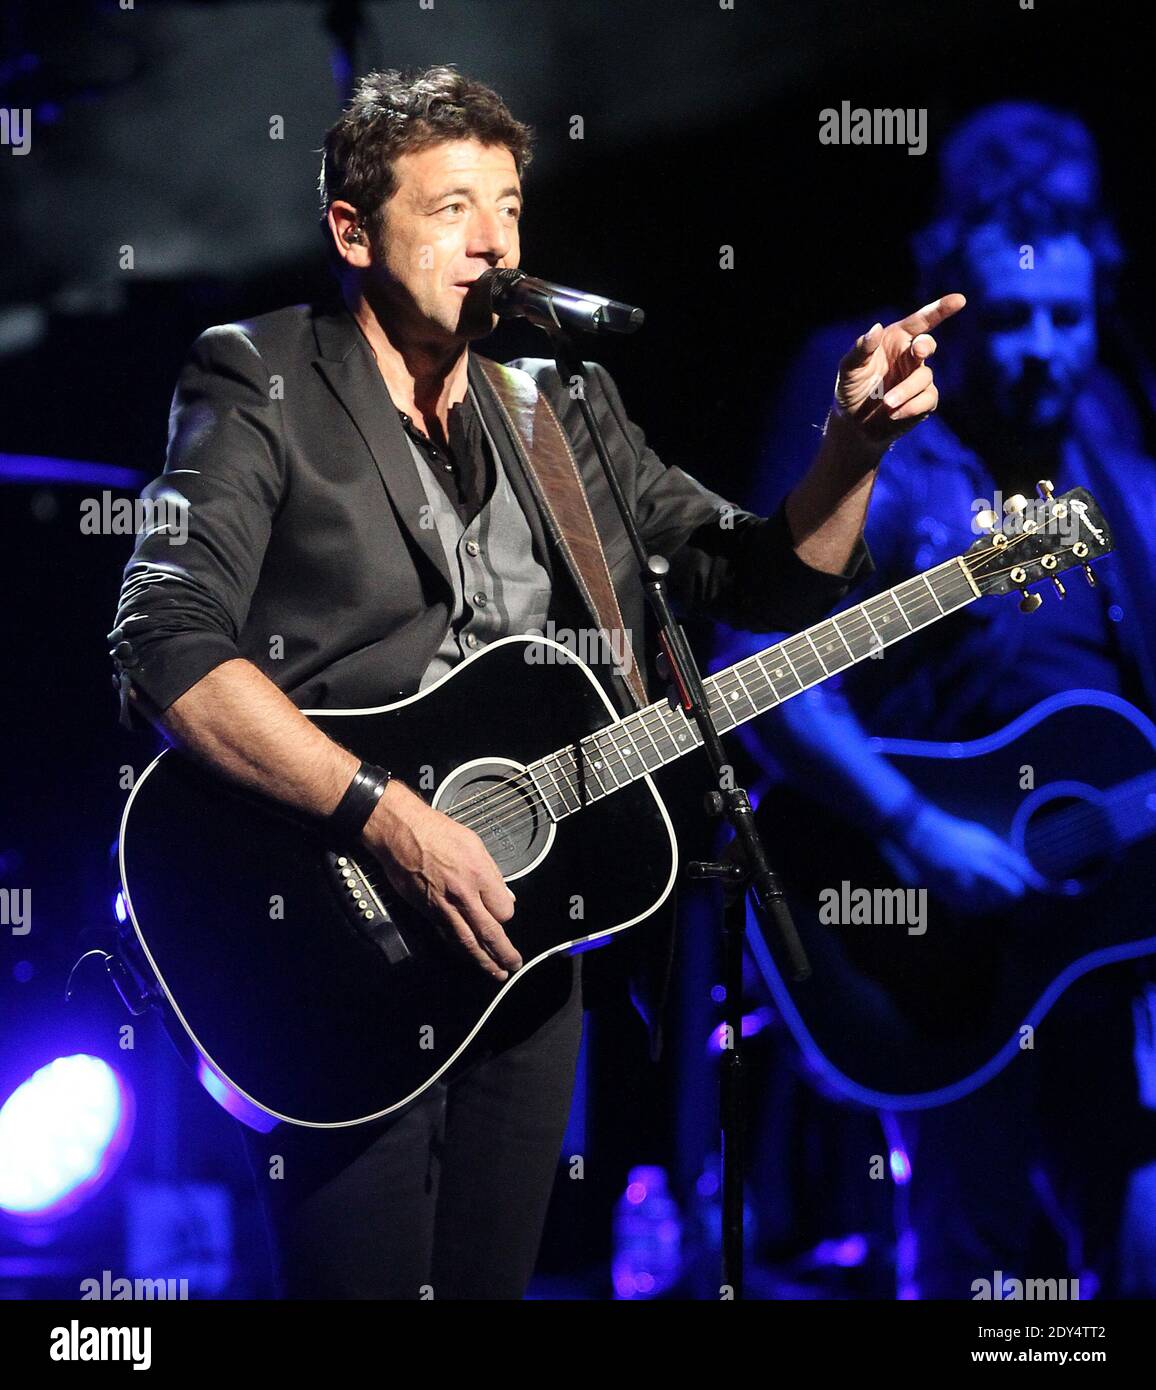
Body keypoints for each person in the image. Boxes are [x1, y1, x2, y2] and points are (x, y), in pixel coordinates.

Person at [108, 65, 959, 1299]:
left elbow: (757, 580)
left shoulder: (561, 404)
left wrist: (851, 448)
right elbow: (168, 640)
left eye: (507, 204)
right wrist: (390, 819)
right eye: (452, 206)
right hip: (326, 926)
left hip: (525, 934)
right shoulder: (259, 377)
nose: (494, 239)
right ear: (353, 229)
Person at [723, 101, 1156, 1297]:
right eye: (1010, 319)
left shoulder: (1111, 427)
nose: (1042, 348)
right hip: (927, 926)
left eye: (1068, 317)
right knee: (973, 1260)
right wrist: (917, 829)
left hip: (1106, 906)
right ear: (953, 309)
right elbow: (758, 667)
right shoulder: (869, 399)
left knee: (1135, 1222)